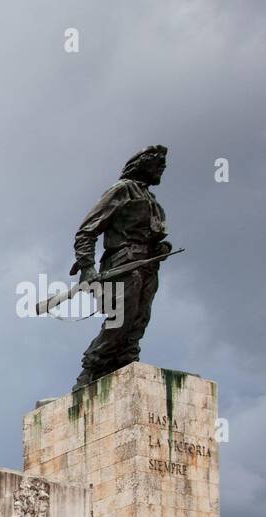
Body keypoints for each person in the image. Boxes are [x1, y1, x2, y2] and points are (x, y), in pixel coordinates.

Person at [70, 145, 171, 389]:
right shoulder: (122, 190)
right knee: (121, 319)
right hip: (123, 263)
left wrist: (161, 248)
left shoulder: (152, 201)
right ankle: (91, 367)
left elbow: (152, 235)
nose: (162, 168)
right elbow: (86, 231)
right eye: (157, 163)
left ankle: (126, 362)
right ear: (142, 164)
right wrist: (87, 268)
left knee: (140, 319)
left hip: (148, 265)